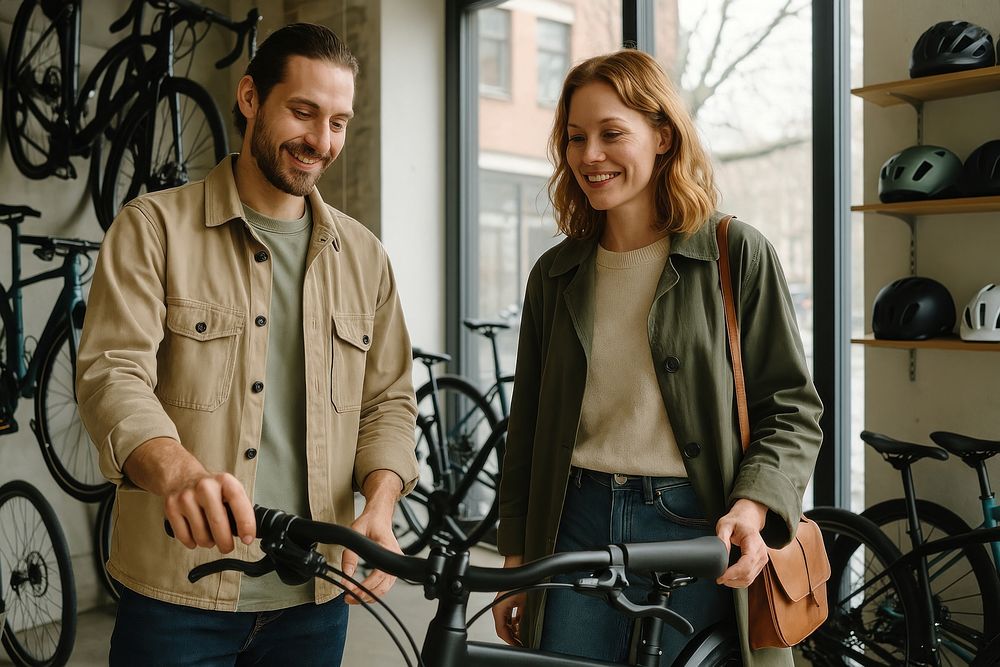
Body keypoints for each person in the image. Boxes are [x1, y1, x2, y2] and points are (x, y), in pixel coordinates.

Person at [76, 23, 418, 666]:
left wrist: (379, 504)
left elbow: (390, 401)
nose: (321, 141)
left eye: (339, 122)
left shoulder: (366, 257)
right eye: (304, 112)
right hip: (180, 593)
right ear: (250, 97)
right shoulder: (154, 228)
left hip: (316, 598)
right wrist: (179, 474)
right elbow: (111, 376)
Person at [490, 49, 823, 667]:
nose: (590, 155)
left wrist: (754, 505)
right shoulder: (555, 274)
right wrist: (517, 559)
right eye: (575, 137)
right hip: (576, 526)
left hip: (698, 529)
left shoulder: (735, 252)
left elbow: (791, 407)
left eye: (612, 134)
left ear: (663, 136)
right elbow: (529, 426)